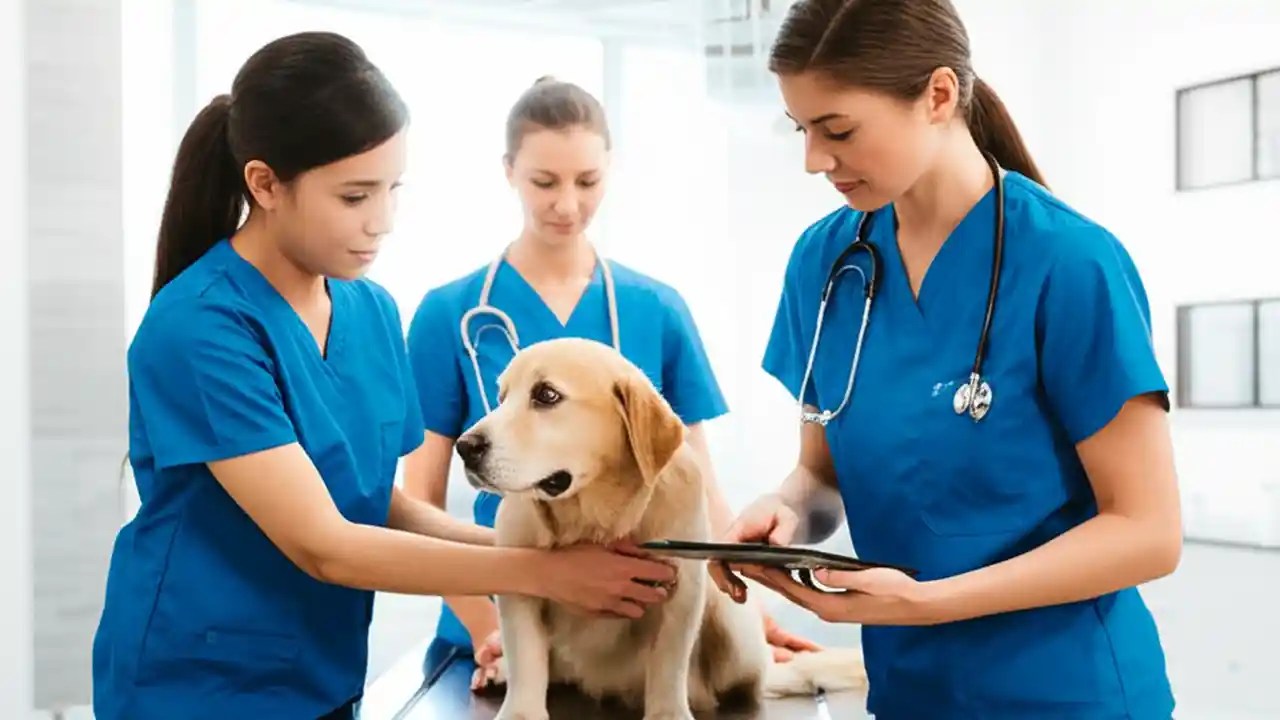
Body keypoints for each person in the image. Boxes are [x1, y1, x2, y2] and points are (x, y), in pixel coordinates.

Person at [91, 33, 676, 720]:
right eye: (355, 195)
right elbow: (324, 545)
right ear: (264, 184)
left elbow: (374, 501)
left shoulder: (369, 309)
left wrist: (536, 541)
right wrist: (546, 573)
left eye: (392, 189)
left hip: (322, 674)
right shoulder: (199, 327)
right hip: (195, 686)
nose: (384, 220)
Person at [710, 1, 1183, 718]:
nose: (814, 160)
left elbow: (1147, 532)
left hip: (1069, 696)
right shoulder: (824, 265)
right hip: (910, 694)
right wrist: (784, 517)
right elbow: (822, 474)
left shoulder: (1069, 264)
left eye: (838, 130)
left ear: (937, 95)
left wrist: (933, 603)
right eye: (801, 130)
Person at [403, 76, 817, 690]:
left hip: (634, 643)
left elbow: (694, 483)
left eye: (587, 182)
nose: (567, 204)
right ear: (509, 171)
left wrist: (740, 606)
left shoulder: (656, 309)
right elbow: (419, 501)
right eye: (544, 182)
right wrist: (484, 625)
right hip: (496, 633)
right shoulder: (448, 314)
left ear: (611, 169)